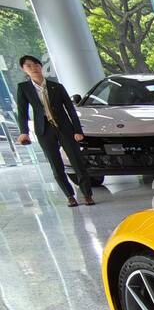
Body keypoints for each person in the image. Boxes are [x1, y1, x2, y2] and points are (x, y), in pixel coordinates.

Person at [14, 55, 94, 207]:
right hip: (44, 130)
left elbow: (70, 109)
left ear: (41, 66)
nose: (34, 68)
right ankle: (69, 196)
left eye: (36, 65)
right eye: (29, 66)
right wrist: (23, 132)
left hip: (64, 128)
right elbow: (22, 112)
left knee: (77, 161)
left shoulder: (56, 86)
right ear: (24, 69)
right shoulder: (24, 88)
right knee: (56, 165)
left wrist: (77, 130)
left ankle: (87, 194)